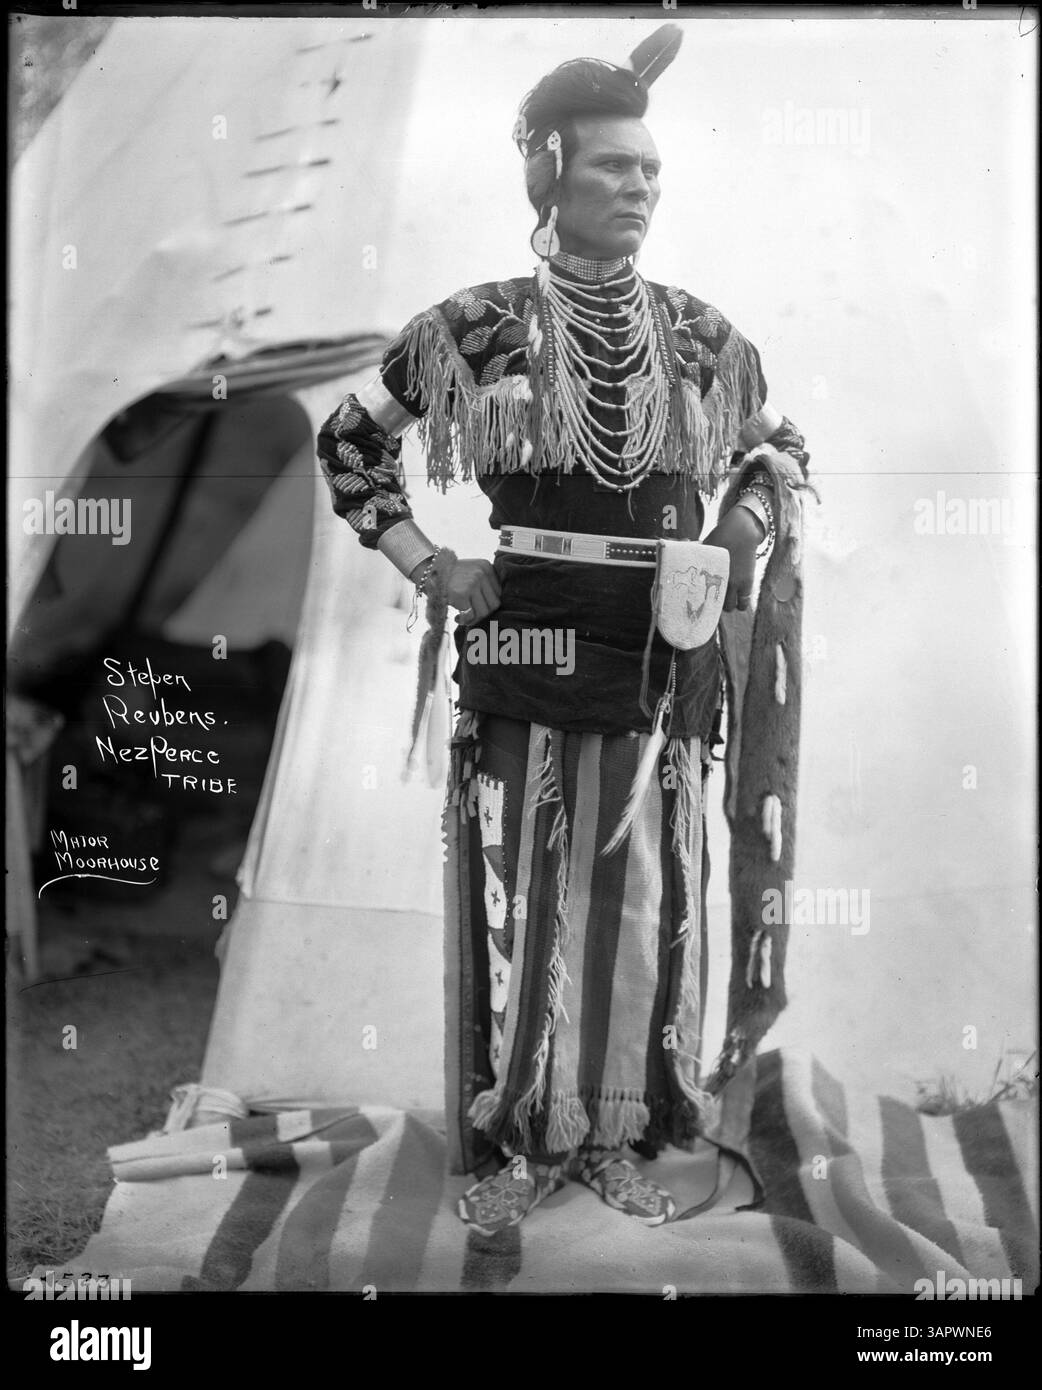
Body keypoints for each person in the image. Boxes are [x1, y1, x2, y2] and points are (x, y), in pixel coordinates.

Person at [317, 25, 812, 1236]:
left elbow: (782, 454)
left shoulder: (703, 336)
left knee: (643, 892)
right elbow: (348, 440)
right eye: (610, 169)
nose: (638, 186)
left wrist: (740, 532)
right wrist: (430, 562)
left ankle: (616, 1127)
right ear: (547, 174)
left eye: (648, 169)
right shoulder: (474, 328)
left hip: (664, 655)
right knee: (521, 891)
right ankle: (512, 1133)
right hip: (528, 645)